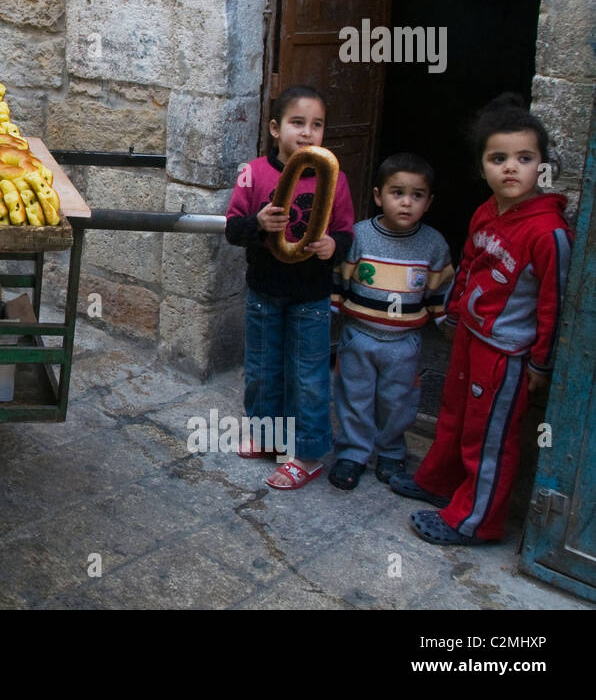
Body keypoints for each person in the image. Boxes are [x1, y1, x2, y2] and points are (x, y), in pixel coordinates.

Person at [390, 95, 572, 544]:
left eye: (524, 158)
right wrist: (454, 313)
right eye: (498, 158)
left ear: (542, 167)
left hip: (505, 354)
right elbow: (469, 264)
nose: (511, 168)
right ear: (483, 166)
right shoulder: (486, 213)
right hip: (470, 339)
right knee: (455, 416)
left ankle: (474, 521)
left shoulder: (549, 233)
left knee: (489, 436)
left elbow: (554, 304)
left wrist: (540, 365)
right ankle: (439, 482)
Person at [225, 85, 355, 489]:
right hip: (264, 291)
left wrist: (333, 246)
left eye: (317, 125)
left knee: (308, 375)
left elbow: (346, 233)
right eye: (298, 123)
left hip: (311, 296)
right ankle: (267, 437)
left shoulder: (335, 178)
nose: (307, 133)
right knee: (263, 369)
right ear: (275, 128)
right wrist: (259, 224)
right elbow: (232, 229)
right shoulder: (253, 173)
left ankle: (309, 453)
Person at [328, 153, 453, 490]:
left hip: (405, 343)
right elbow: (340, 279)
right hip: (358, 337)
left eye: (417, 195)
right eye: (397, 193)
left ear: (429, 202)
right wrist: (331, 311)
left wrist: (446, 323)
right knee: (353, 396)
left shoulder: (434, 244)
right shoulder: (359, 236)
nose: (406, 203)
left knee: (398, 401)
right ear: (378, 196)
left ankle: (390, 451)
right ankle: (352, 452)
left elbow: (439, 290)